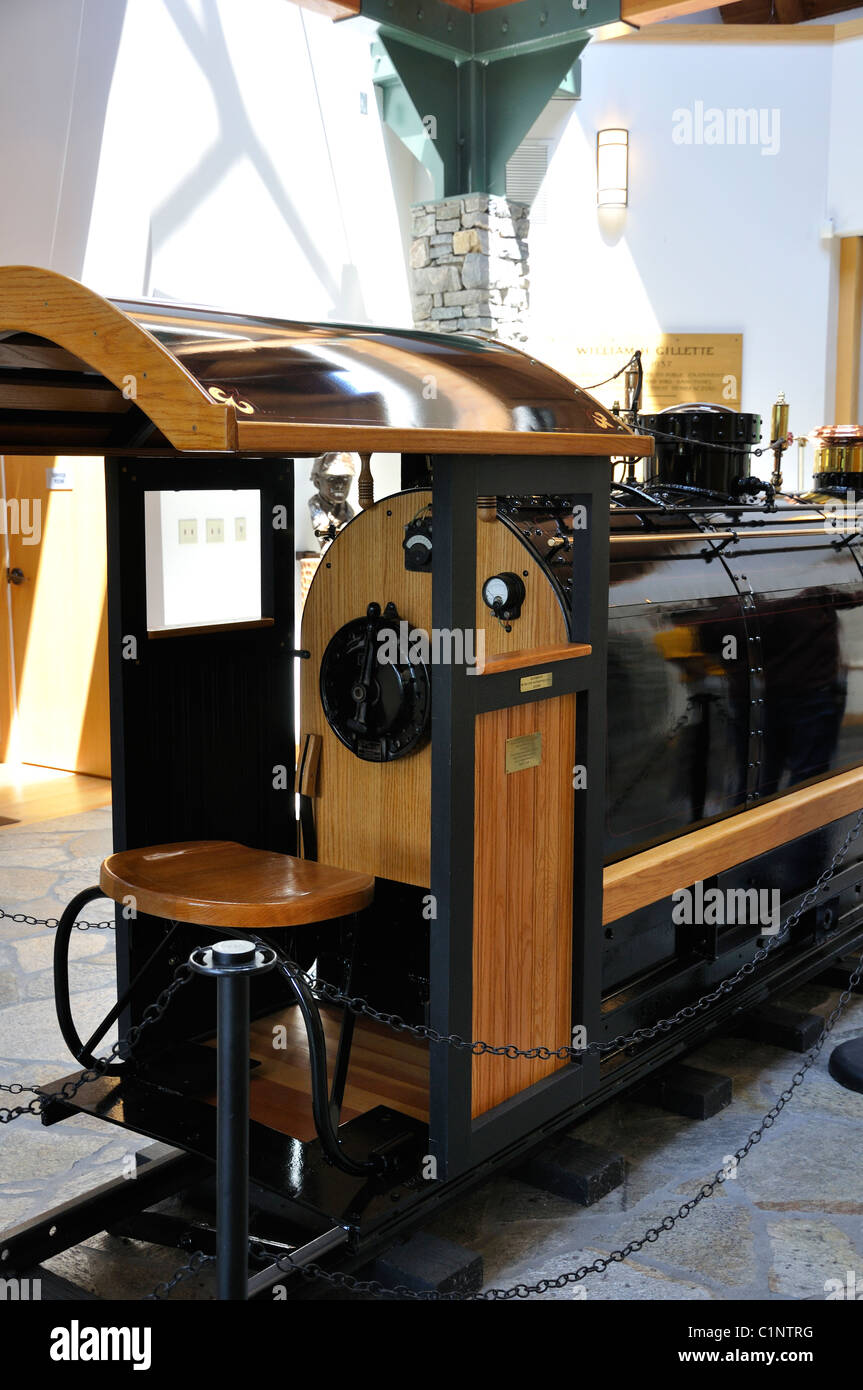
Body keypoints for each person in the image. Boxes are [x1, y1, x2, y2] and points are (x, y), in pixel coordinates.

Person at [308, 452, 356, 549]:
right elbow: (326, 543)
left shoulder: (351, 513)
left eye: (346, 478)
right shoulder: (316, 508)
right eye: (332, 478)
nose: (340, 485)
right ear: (317, 481)